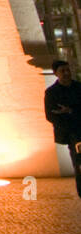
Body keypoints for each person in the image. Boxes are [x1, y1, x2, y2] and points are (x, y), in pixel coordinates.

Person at [45, 60, 81, 199]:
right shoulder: (52, 93)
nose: (66, 73)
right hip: (72, 134)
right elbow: (51, 115)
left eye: (67, 70)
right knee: (78, 164)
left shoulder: (78, 87)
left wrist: (70, 111)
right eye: (62, 71)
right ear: (56, 73)